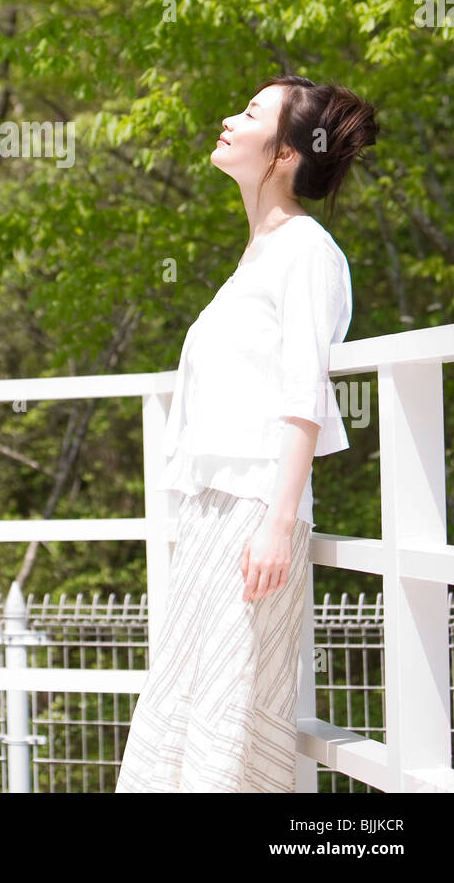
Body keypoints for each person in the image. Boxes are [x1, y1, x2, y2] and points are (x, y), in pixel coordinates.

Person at [114, 74, 379, 793]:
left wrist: (277, 520)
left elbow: (304, 396)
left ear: (287, 152)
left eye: (252, 113)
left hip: (254, 516)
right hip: (211, 515)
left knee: (225, 732)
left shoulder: (308, 251)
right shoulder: (257, 256)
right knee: (185, 721)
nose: (229, 119)